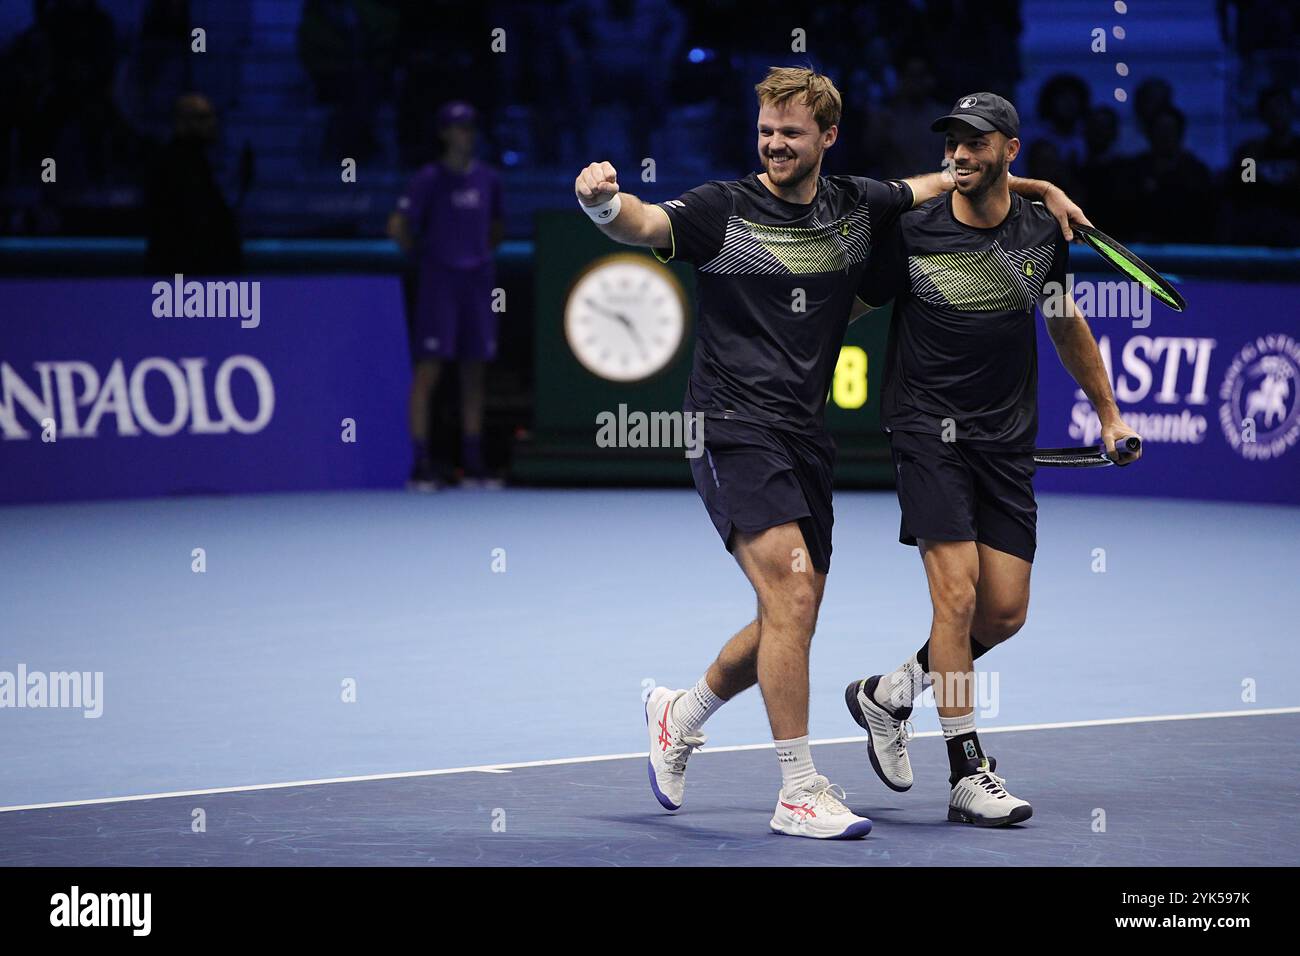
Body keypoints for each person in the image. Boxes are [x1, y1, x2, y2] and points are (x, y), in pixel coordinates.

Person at [574, 68, 1086, 838]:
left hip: (802, 438)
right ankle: (797, 789)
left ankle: (680, 712)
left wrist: (1037, 186)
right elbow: (644, 225)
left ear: (827, 138)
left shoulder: (857, 206)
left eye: (791, 132)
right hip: (728, 424)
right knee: (794, 598)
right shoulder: (722, 210)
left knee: (790, 617)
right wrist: (604, 204)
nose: (775, 144)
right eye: (766, 131)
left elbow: (954, 175)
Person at [845, 93, 1141, 826]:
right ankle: (968, 770)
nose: (961, 154)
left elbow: (1063, 322)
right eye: (953, 142)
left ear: (1011, 148)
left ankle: (890, 693)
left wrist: (1108, 414)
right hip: (924, 429)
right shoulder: (913, 228)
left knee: (1004, 610)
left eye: (978, 143)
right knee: (958, 596)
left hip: (1006, 437)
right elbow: (849, 307)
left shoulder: (1043, 230)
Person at [389, 101, 504, 488]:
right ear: (443, 133)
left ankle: (473, 463)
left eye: (470, 127)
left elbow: (497, 228)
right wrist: (427, 257)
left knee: (475, 372)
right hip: (439, 283)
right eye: (457, 127)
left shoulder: (489, 179)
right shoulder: (428, 179)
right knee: (429, 371)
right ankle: (420, 464)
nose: (465, 134)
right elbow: (399, 225)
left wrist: (477, 257)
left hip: (478, 282)